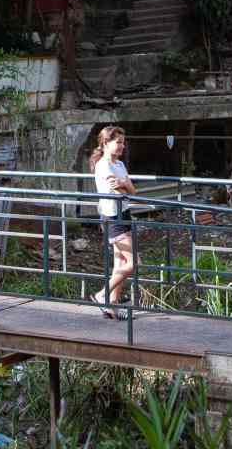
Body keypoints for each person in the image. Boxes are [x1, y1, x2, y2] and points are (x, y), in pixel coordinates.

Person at [89, 126, 136, 320]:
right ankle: (102, 295)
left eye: (123, 142)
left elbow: (132, 190)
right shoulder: (103, 166)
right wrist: (125, 186)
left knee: (121, 262)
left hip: (124, 213)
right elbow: (119, 192)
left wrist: (124, 185)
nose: (122, 146)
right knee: (133, 263)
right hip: (112, 217)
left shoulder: (120, 164)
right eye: (118, 142)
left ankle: (112, 306)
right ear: (105, 143)